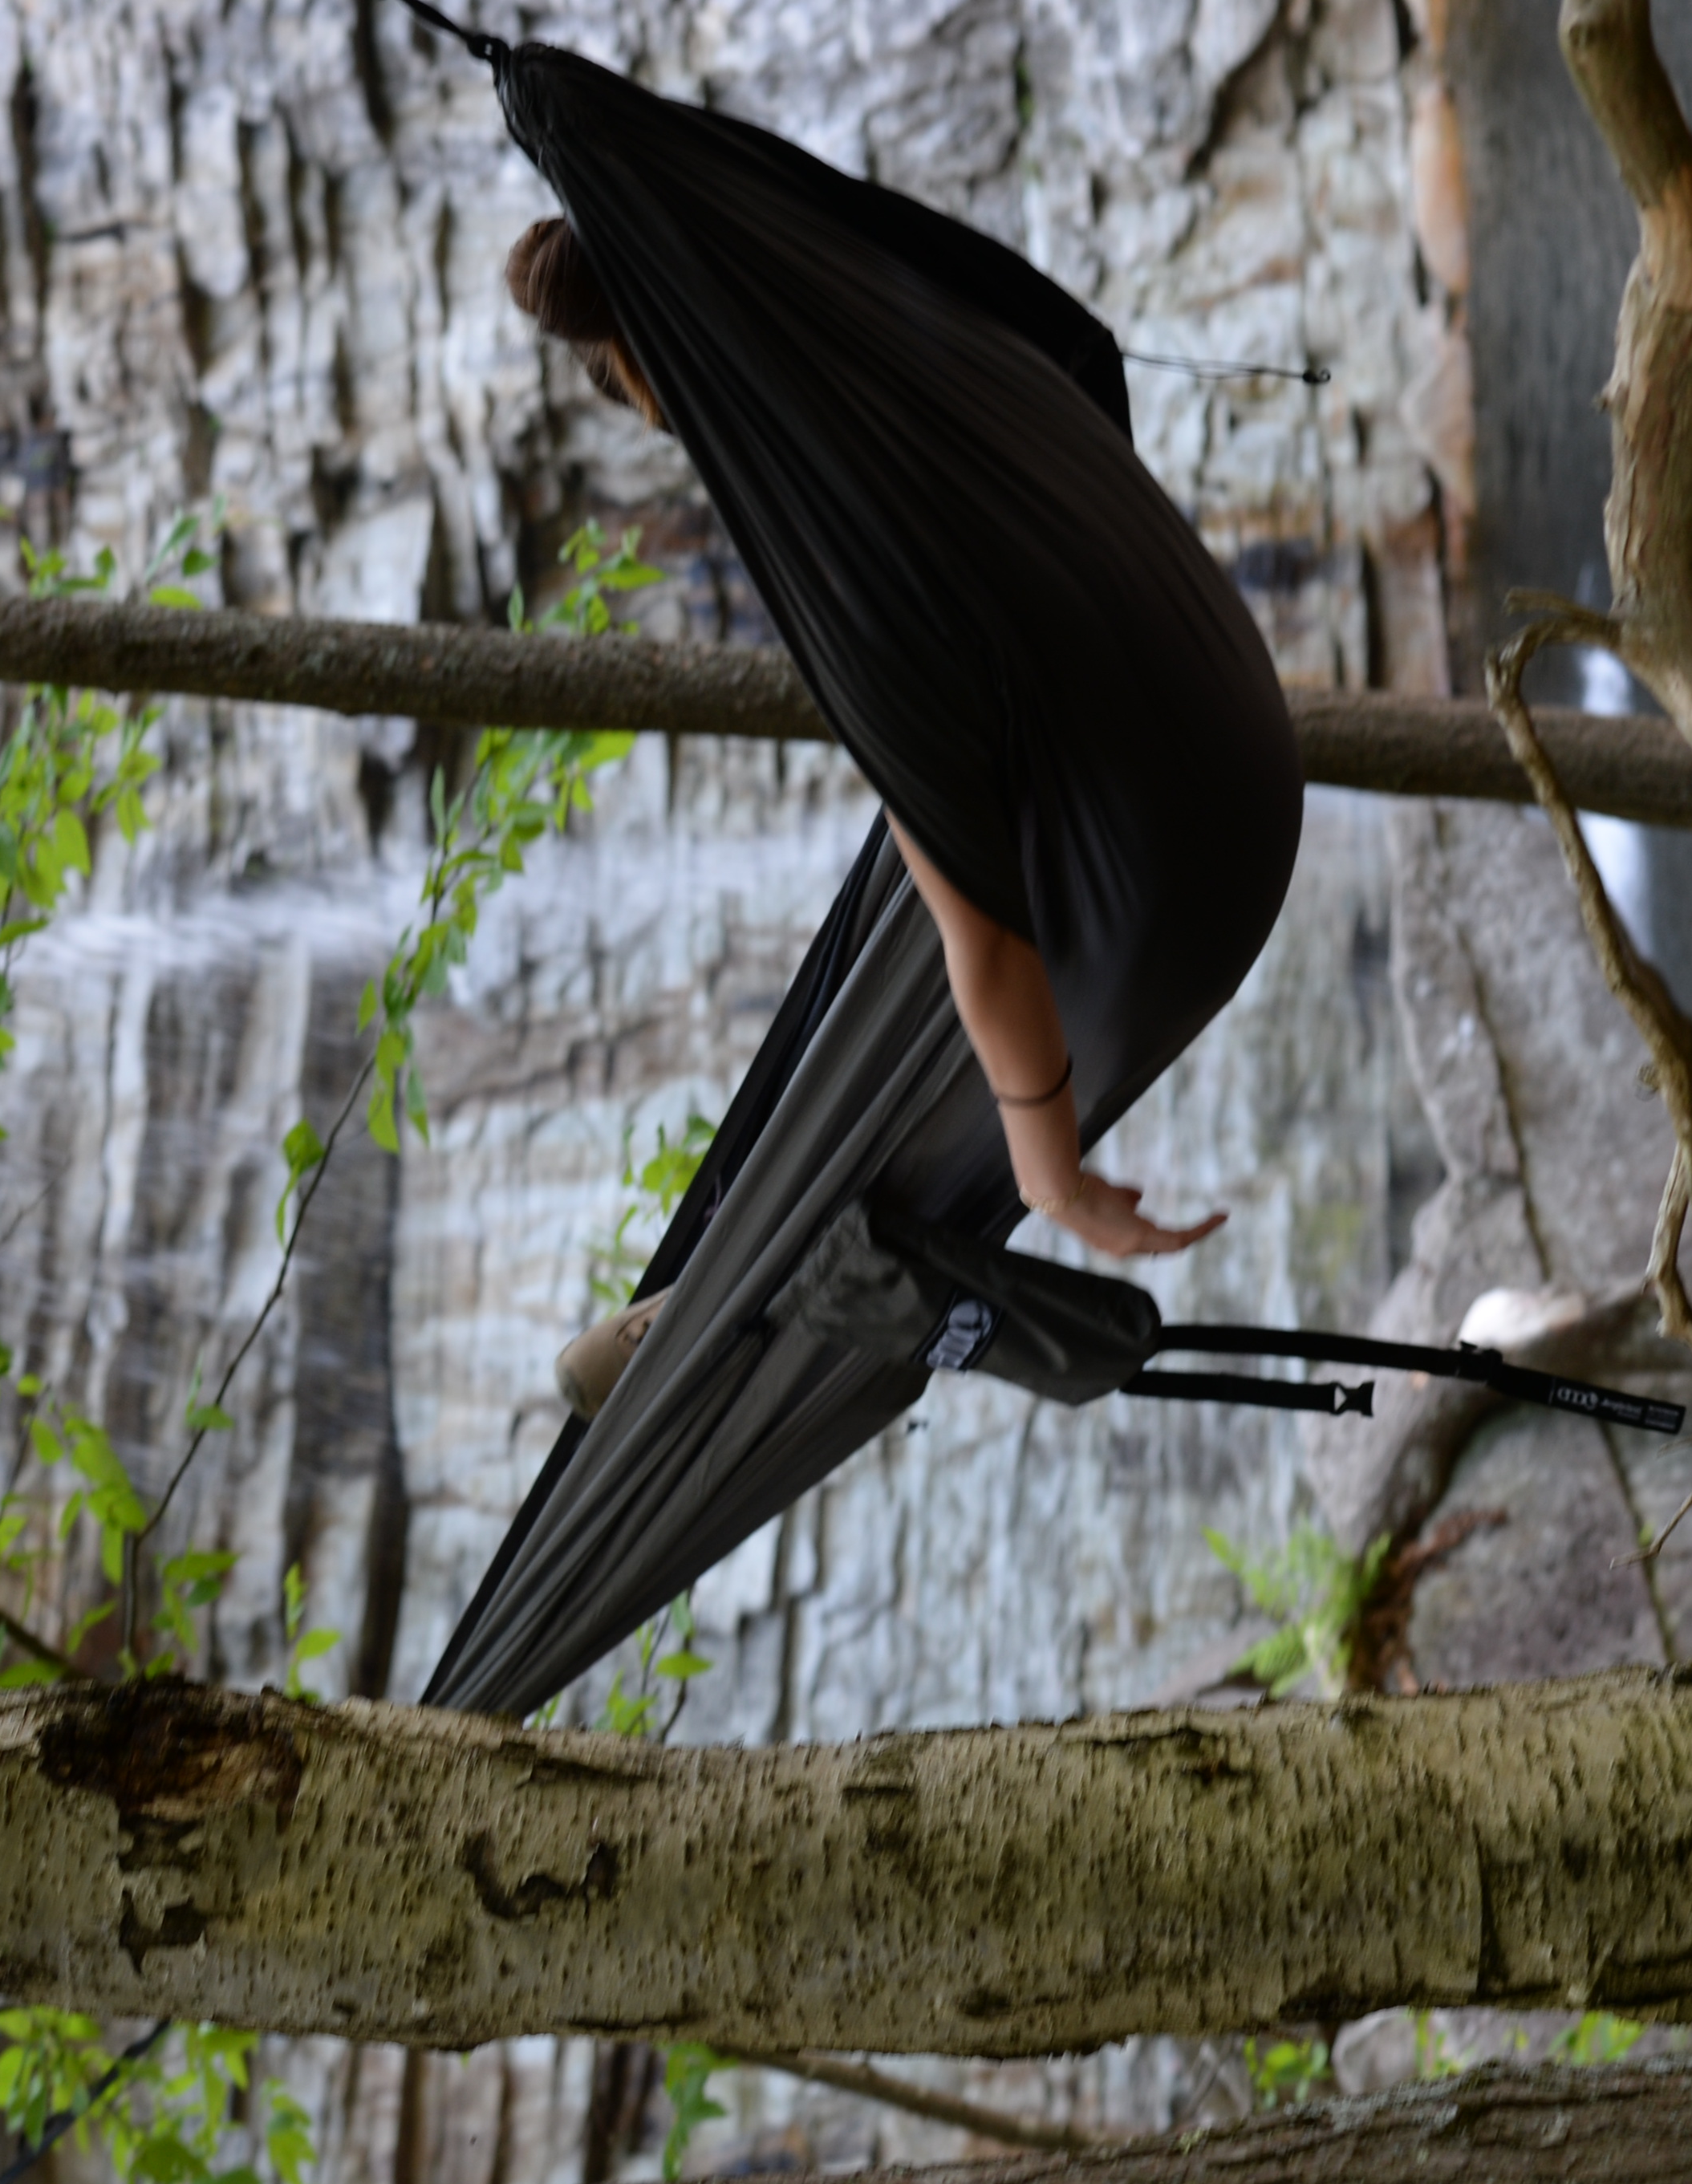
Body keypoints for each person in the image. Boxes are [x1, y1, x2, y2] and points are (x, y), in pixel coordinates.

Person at [414, 26, 1305, 1716]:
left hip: (1180, 873)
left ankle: (718, 1304)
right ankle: (715, 1293)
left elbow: (983, 957)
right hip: (1212, 725)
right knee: (892, 991)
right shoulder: (944, 341)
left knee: (915, 1146)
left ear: (677, 395)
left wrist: (1052, 1170)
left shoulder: (859, 578)